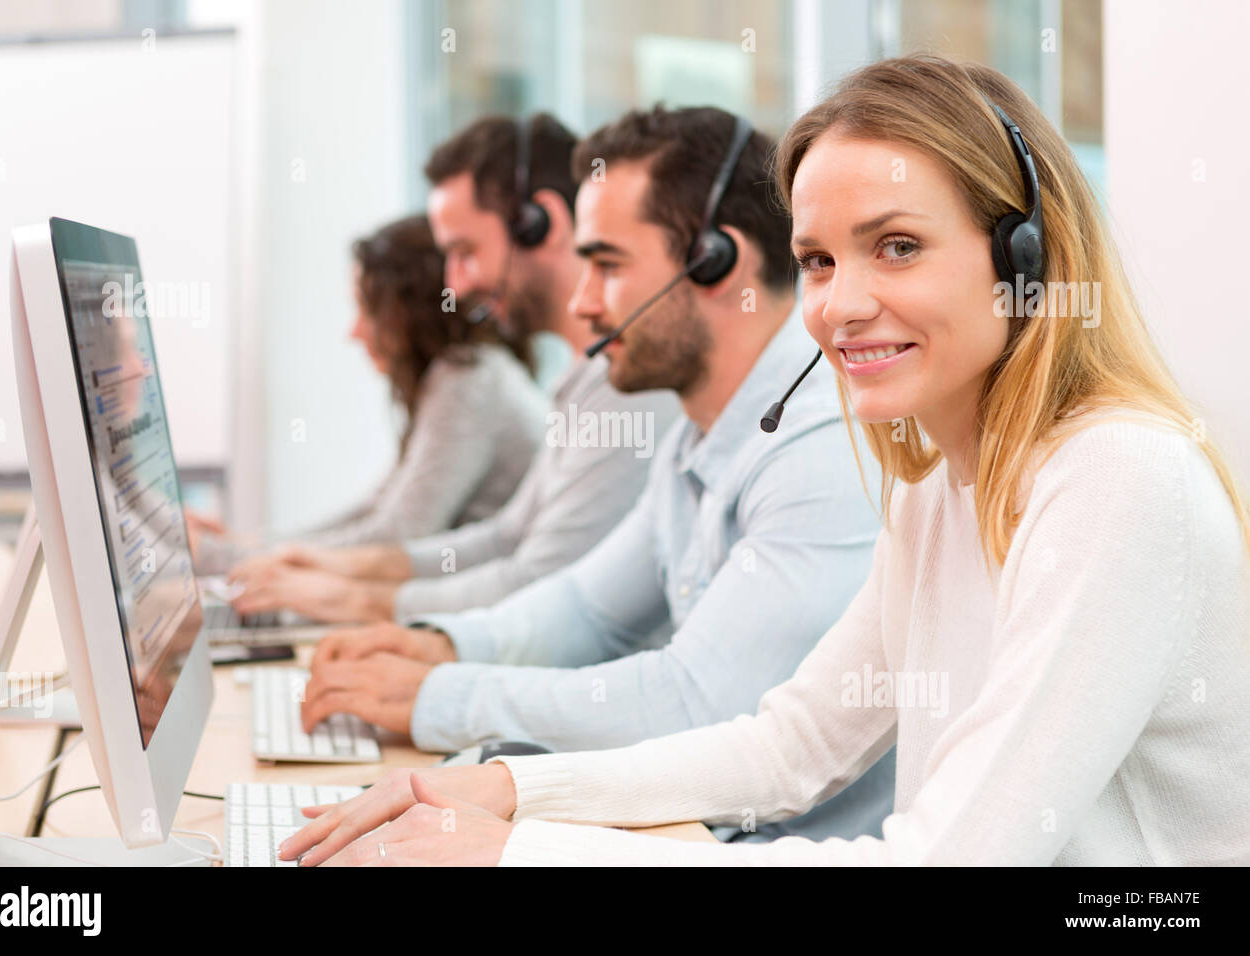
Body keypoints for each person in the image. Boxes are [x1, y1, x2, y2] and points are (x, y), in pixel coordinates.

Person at [280, 56, 1250, 867]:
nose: (838, 303)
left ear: (1023, 259)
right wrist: (503, 783)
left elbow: (946, 859)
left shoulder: (1117, 478)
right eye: (821, 259)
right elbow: (789, 746)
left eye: (898, 246)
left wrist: (513, 846)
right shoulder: (937, 486)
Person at [293, 105, 897, 848]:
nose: (584, 302)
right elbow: (585, 608)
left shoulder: (822, 444)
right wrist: (439, 644)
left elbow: (693, 701)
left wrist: (437, 695)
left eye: (607, 266)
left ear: (715, 261)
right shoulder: (697, 436)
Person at [222, 114, 680, 623]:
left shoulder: (625, 385)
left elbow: (535, 582)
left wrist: (346, 594)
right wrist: (329, 567)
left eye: (465, 252)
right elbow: (506, 538)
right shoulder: (581, 380)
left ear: (538, 223)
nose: (455, 287)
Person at [187, 215, 547, 580]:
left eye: (368, 310)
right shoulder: (456, 377)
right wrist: (248, 548)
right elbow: (375, 512)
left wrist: (227, 557)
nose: (354, 332)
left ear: (412, 312)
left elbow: (397, 535)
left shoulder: (470, 383)